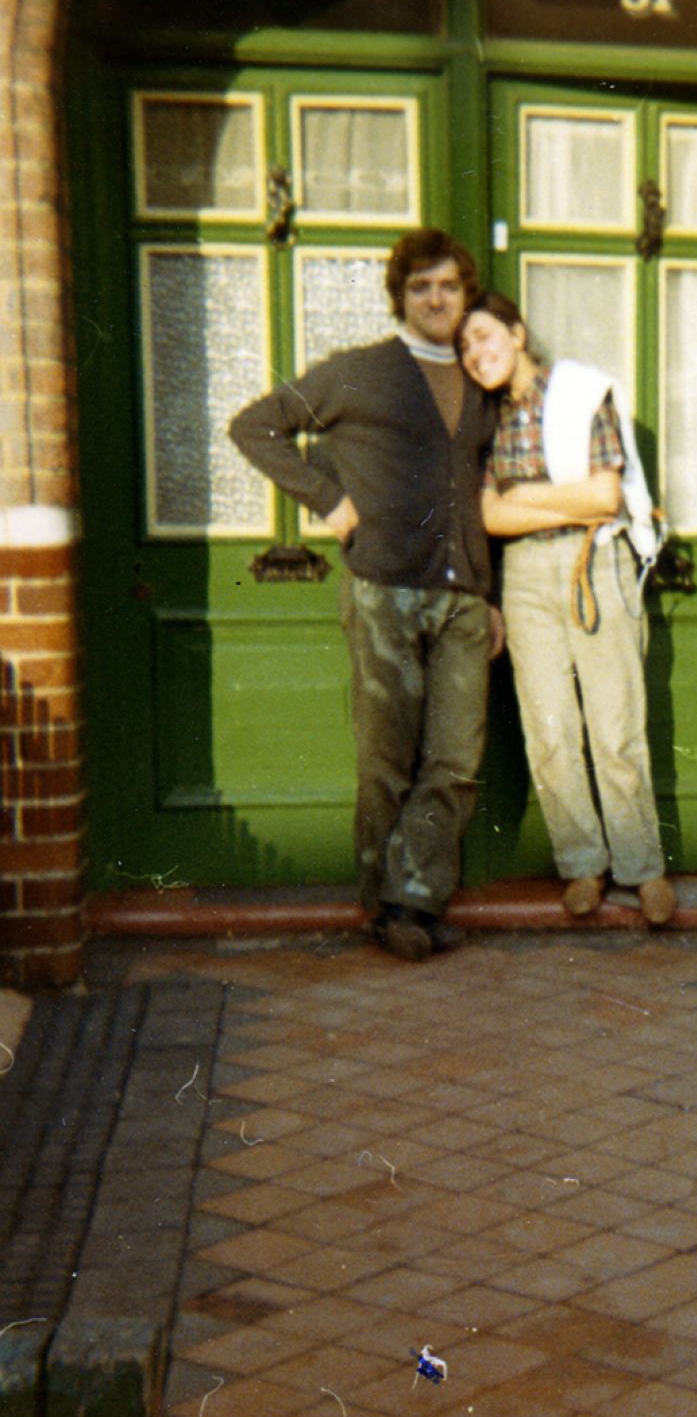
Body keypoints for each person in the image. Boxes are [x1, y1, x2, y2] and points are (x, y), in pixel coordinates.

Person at [229, 228, 499, 961]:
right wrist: (325, 500)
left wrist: (490, 594)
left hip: (465, 599)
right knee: (386, 759)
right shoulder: (361, 373)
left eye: (449, 285)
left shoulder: (481, 378)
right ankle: (385, 906)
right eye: (421, 287)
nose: (437, 298)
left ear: (466, 293)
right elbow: (254, 426)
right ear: (400, 297)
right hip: (383, 588)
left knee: (455, 760)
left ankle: (416, 899)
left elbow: (480, 492)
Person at [459, 290, 676, 926]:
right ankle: (583, 864)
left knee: (615, 725)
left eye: (485, 337)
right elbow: (488, 516)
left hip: (594, 560)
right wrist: (558, 497)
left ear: (517, 333)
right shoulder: (479, 418)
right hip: (524, 574)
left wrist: (522, 494)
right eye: (466, 347)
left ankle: (643, 869)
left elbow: (606, 498)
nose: (476, 354)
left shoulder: (579, 396)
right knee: (550, 728)